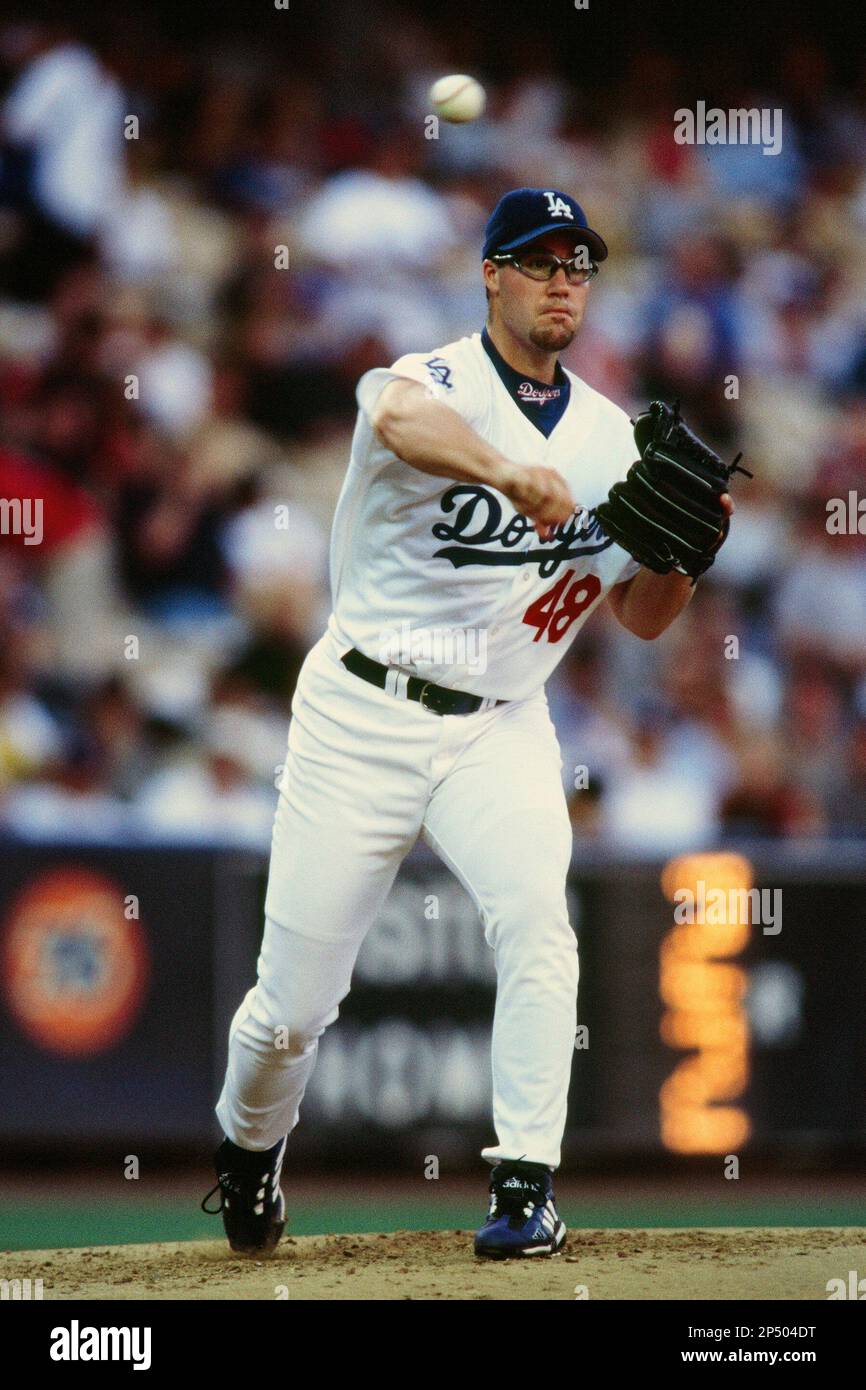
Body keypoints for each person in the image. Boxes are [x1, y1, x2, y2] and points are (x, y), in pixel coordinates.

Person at [202, 188, 732, 1260]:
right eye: (537, 260)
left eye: (576, 263)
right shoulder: (431, 379)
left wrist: (681, 554)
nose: (560, 279)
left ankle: (525, 1185)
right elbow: (394, 417)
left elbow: (635, 616)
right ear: (490, 273)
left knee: (538, 919)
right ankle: (248, 1151)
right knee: (290, 1012)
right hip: (360, 709)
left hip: (499, 721)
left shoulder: (611, 436)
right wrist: (505, 471)